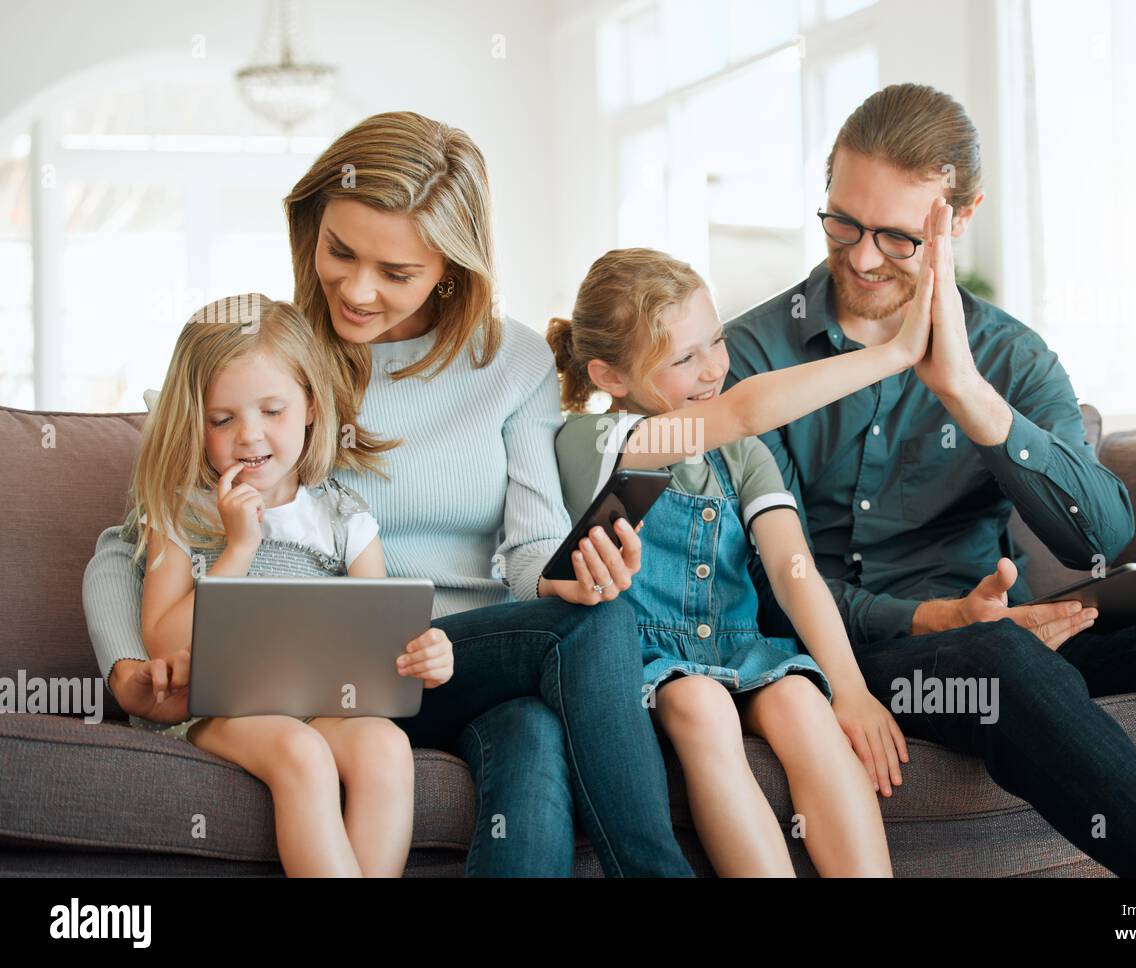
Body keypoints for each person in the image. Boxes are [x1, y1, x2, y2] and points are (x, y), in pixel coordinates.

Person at [82, 112, 693, 877]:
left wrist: (567, 574)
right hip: (350, 667)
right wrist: (132, 668)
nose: (358, 290)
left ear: (450, 267)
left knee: (543, 711)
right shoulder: (276, 360)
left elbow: (531, 548)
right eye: (340, 252)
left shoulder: (516, 364)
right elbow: (134, 532)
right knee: (590, 641)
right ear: (312, 228)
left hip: (465, 657)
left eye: (396, 274)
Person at [723, 82, 1136, 876]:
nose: (859, 256)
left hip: (1020, 651)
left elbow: (1102, 535)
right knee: (1000, 660)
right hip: (856, 664)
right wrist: (930, 620)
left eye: (895, 236)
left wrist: (966, 392)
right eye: (843, 222)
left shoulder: (1010, 358)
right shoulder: (751, 358)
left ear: (959, 219)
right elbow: (759, 579)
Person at [547, 246, 940, 874]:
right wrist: (894, 354)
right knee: (700, 702)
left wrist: (852, 690)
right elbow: (739, 411)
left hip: (736, 644)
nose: (713, 371)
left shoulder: (740, 455)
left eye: (717, 342)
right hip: (643, 658)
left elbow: (794, 568)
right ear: (610, 377)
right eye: (683, 358)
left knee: (802, 702)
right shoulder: (593, 441)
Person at [127, 294, 418, 876]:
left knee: (386, 743)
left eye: (272, 411)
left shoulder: (344, 518)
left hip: (319, 707)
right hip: (211, 712)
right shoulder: (180, 513)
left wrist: (423, 654)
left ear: (310, 406)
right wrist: (239, 549)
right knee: (299, 752)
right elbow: (162, 644)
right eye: (223, 419)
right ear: (196, 422)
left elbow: (380, 650)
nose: (249, 437)